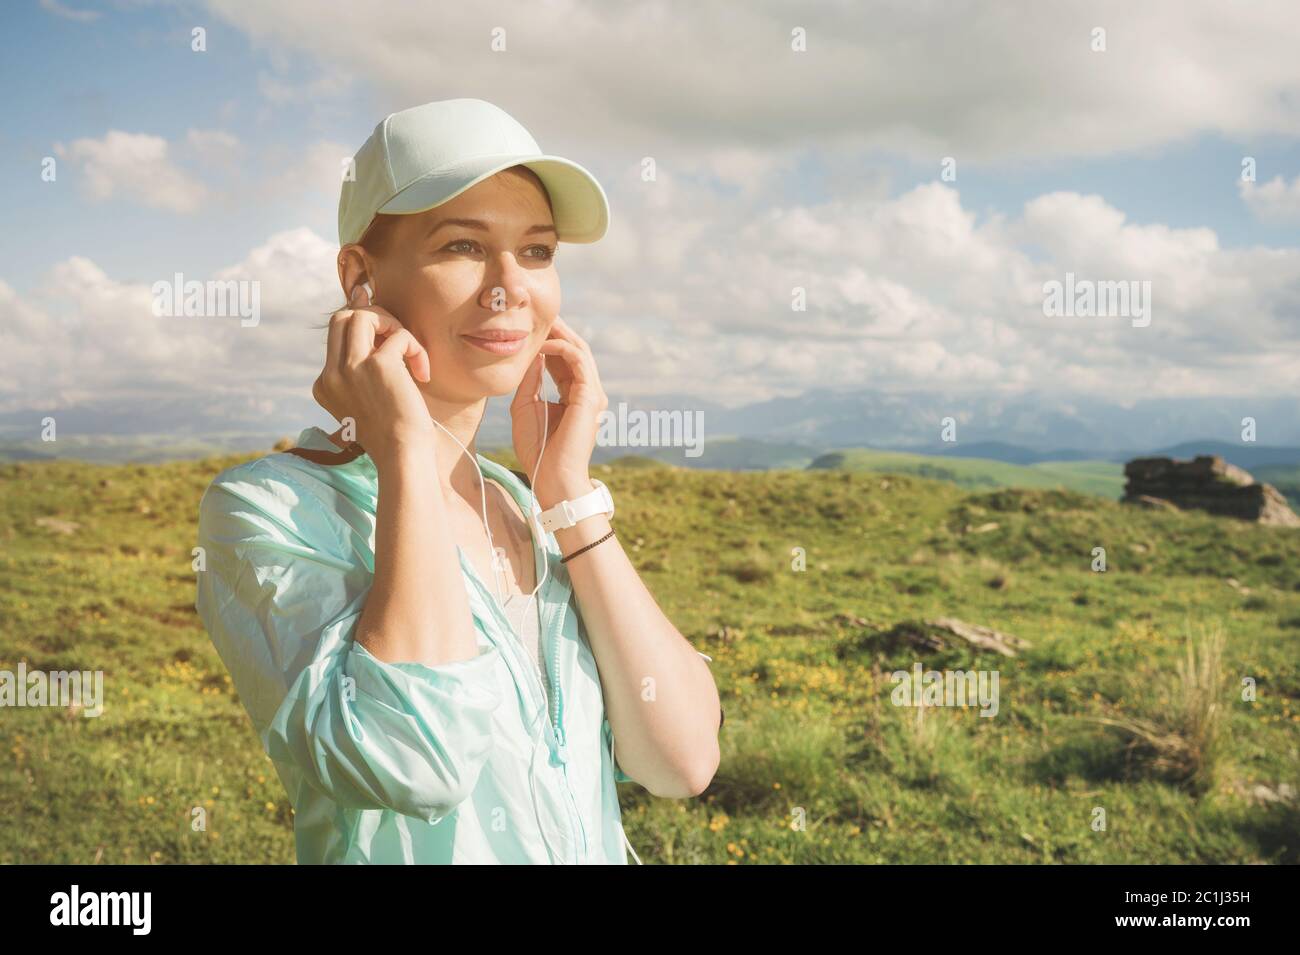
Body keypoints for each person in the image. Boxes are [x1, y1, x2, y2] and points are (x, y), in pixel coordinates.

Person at [195, 98, 722, 864]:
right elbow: (414, 761)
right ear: (360, 276)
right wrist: (406, 446)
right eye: (463, 246)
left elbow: (680, 760)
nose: (510, 287)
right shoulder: (266, 510)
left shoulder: (518, 499)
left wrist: (568, 494)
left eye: (537, 252)